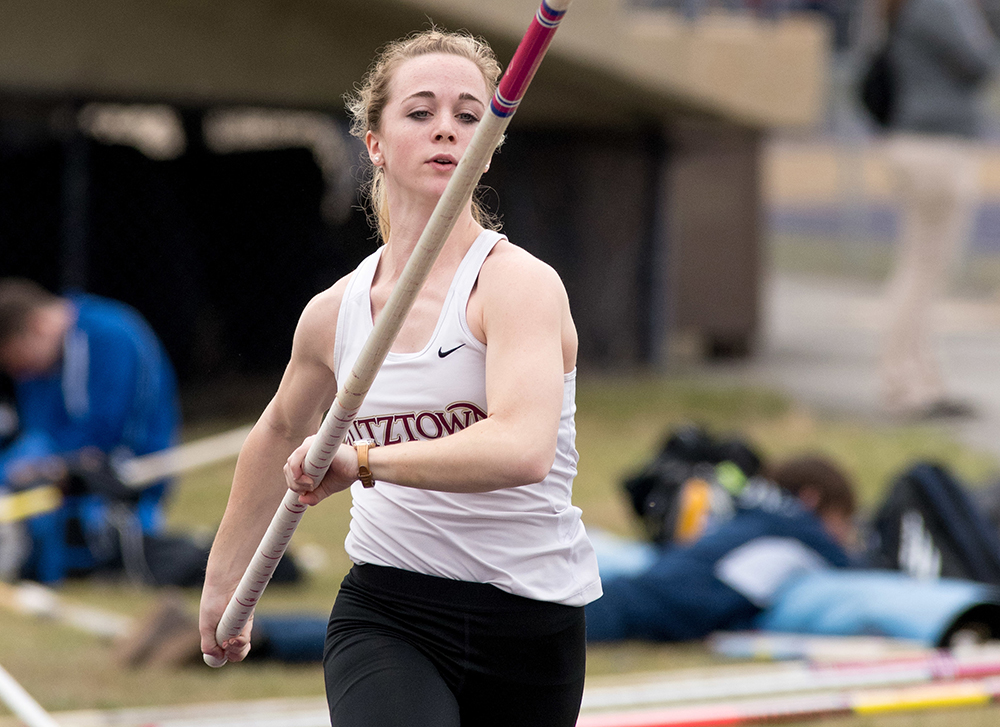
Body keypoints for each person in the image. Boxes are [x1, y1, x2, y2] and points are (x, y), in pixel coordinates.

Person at [199, 28, 602, 727]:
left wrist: (365, 461)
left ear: (491, 141)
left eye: (469, 116)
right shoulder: (335, 313)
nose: (447, 130)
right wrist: (224, 578)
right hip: (390, 610)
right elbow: (281, 429)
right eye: (420, 112)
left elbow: (522, 447)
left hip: (530, 620)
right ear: (375, 143)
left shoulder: (517, 287)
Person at [0, 278, 180, 583]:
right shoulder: (42, 368)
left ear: (38, 326)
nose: (22, 375)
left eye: (21, 363)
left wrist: (52, 468)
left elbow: (111, 436)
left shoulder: (112, 334)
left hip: (125, 478)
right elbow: (40, 434)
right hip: (64, 472)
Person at [876, 0, 1000, 418]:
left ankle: (921, 380)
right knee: (922, 274)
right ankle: (906, 384)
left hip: (924, 142)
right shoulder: (936, 7)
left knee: (922, 272)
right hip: (935, 147)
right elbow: (979, 60)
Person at [585, 455, 857, 642]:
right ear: (812, 499)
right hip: (687, 600)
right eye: (842, 519)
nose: (844, 534)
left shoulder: (756, 507)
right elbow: (852, 570)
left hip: (669, 575)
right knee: (583, 621)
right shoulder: (804, 527)